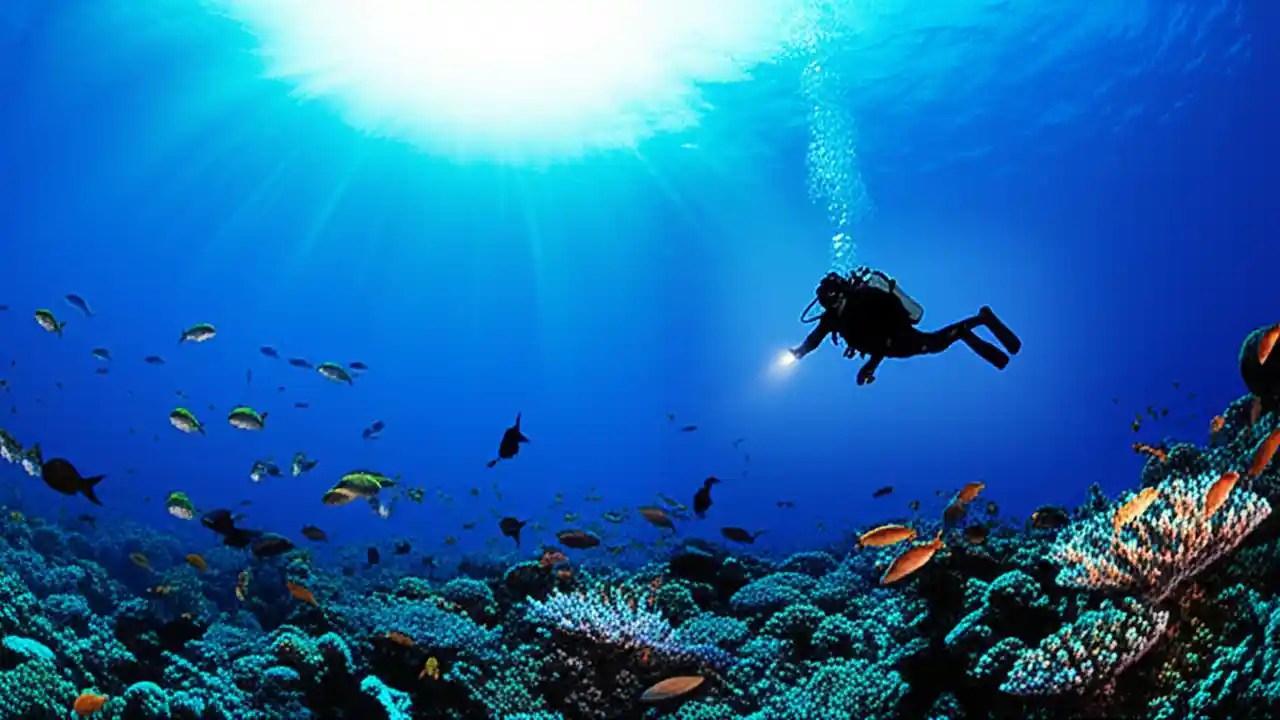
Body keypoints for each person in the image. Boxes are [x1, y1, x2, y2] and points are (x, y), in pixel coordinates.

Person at [789, 268, 1021, 385]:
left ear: (837, 294)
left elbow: (883, 334)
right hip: (891, 345)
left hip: (899, 337)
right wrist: (799, 352)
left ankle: (980, 319)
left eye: (829, 298)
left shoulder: (863, 299)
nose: (828, 304)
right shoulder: (832, 318)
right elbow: (815, 338)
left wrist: (870, 366)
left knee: (935, 344)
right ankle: (979, 321)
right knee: (935, 344)